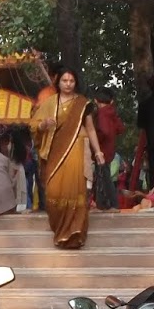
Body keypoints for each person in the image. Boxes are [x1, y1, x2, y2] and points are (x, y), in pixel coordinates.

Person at [33, 67, 103, 250]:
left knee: (75, 192)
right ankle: (60, 229)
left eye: (71, 81)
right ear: (58, 82)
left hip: (77, 148)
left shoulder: (82, 103)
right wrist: (43, 124)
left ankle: (75, 234)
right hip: (55, 151)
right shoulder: (49, 103)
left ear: (76, 83)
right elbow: (34, 125)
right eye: (64, 80)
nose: (68, 84)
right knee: (53, 193)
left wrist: (98, 151)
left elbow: (91, 129)